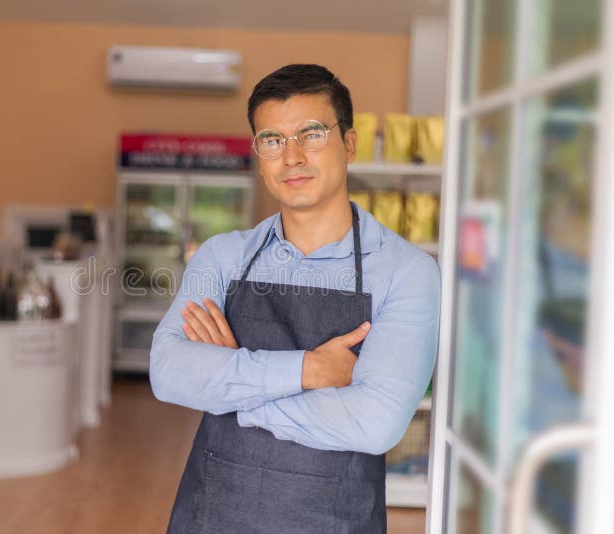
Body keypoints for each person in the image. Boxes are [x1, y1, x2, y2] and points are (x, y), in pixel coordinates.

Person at [149, 63, 441, 533]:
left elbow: (374, 424)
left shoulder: (407, 273)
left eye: (311, 134)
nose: (291, 157)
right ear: (258, 153)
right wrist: (308, 370)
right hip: (212, 516)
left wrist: (231, 382)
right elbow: (168, 373)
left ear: (349, 142)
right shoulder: (223, 256)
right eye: (272, 139)